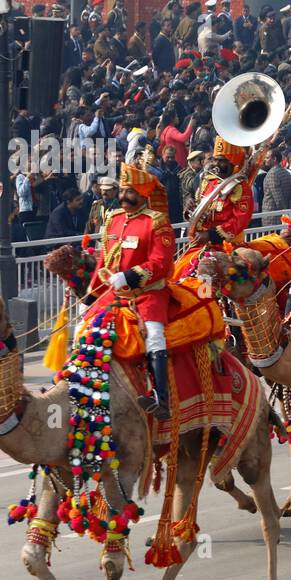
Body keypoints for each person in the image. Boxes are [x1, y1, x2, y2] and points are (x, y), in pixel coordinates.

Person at [88, 163, 176, 419]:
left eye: (130, 191)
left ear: (143, 193)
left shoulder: (156, 222)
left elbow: (161, 264)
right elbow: (103, 262)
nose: (124, 196)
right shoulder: (113, 219)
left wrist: (127, 276)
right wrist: (91, 296)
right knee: (85, 328)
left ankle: (161, 398)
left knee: (155, 337)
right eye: (123, 190)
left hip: (148, 295)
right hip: (114, 295)